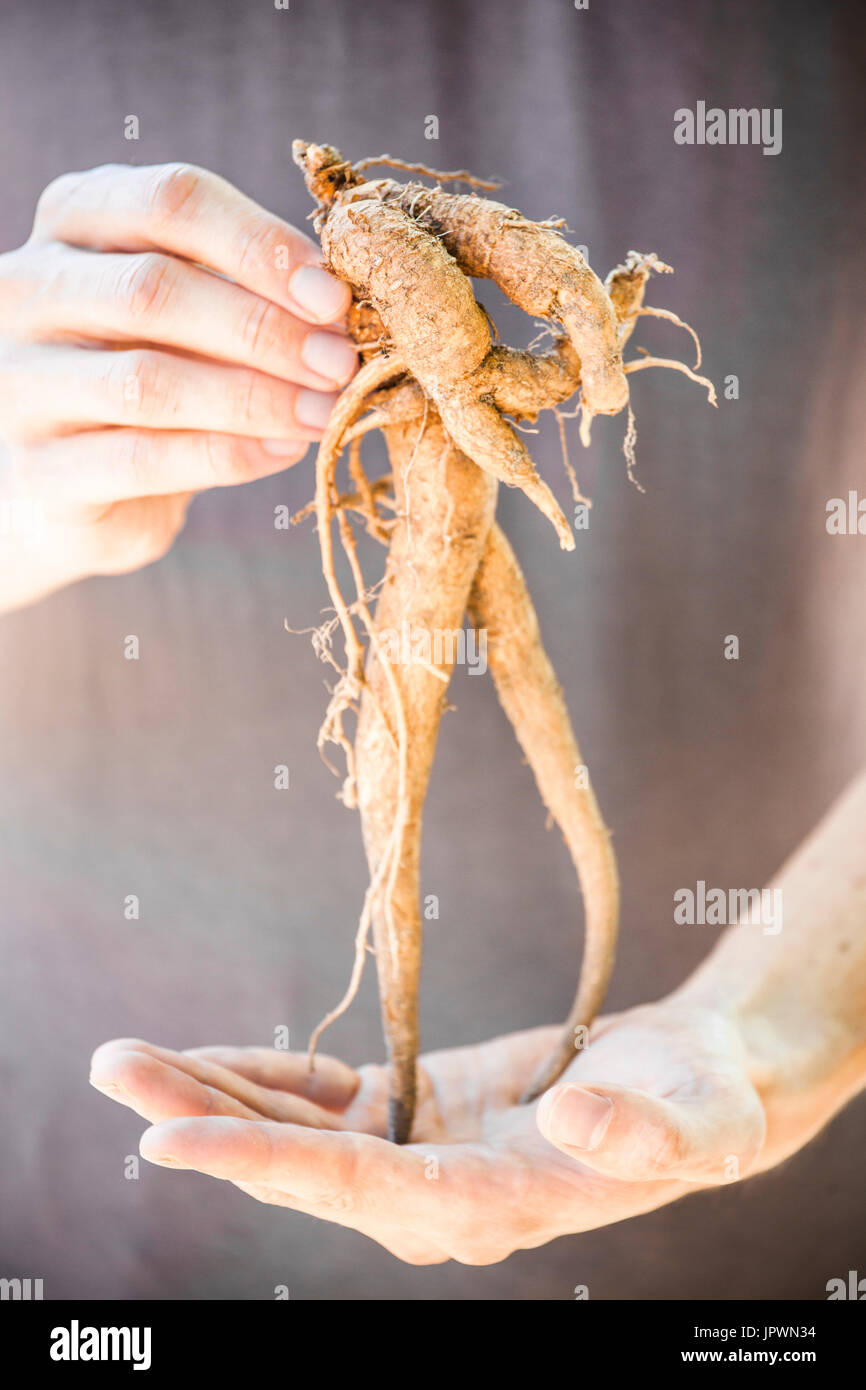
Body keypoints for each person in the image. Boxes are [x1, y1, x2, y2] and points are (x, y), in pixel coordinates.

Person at [2, 162, 864, 1267]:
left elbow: (569, 366)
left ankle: (584, 969)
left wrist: (785, 1016)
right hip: (89, 1213)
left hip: (745, 1230)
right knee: (393, 805)